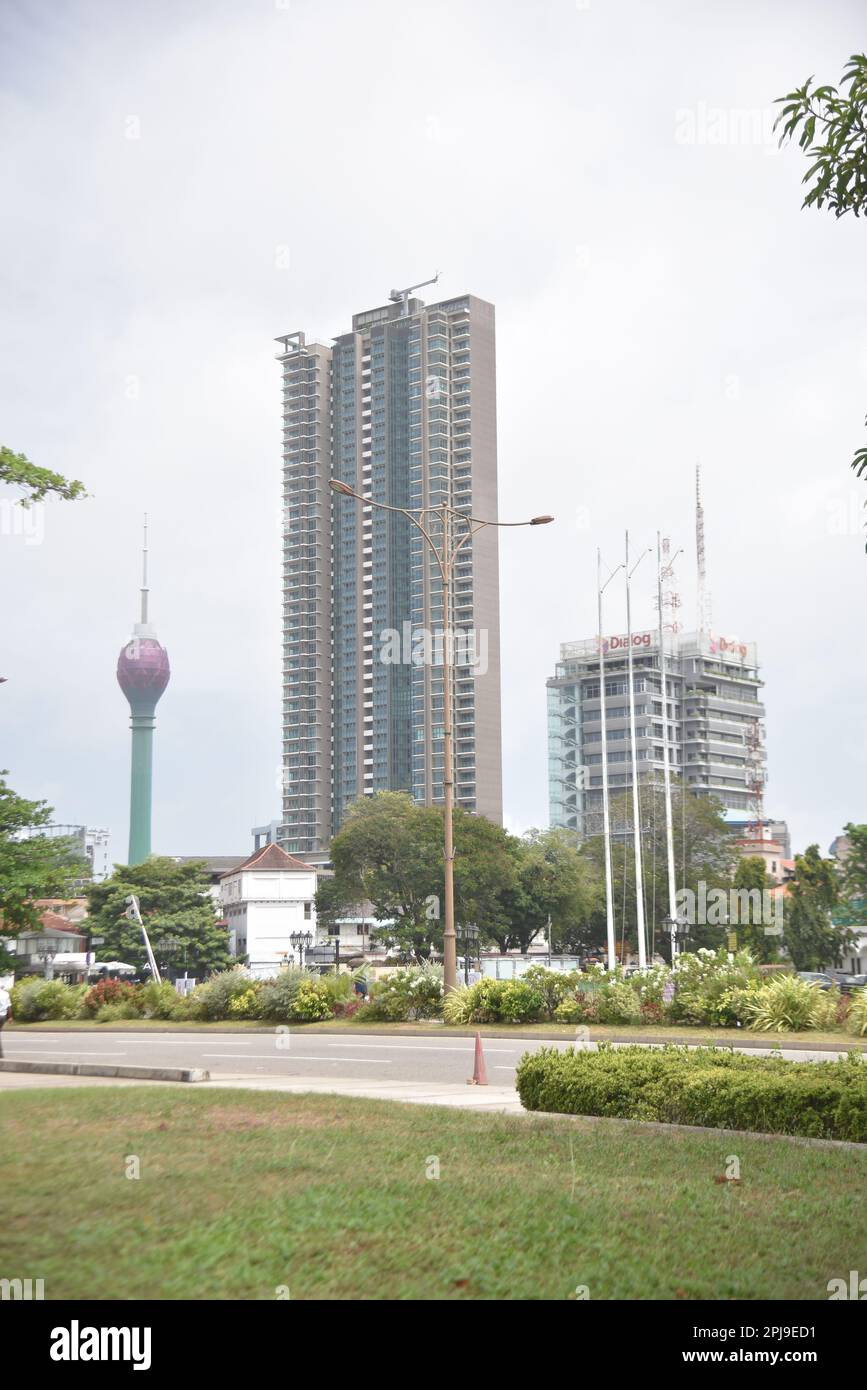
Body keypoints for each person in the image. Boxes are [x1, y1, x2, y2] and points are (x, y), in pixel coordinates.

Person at [0, 983, 11, 1058]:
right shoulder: (5, 994)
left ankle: (0, 1054)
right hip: (3, 1016)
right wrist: (10, 1017)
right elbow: (9, 1007)